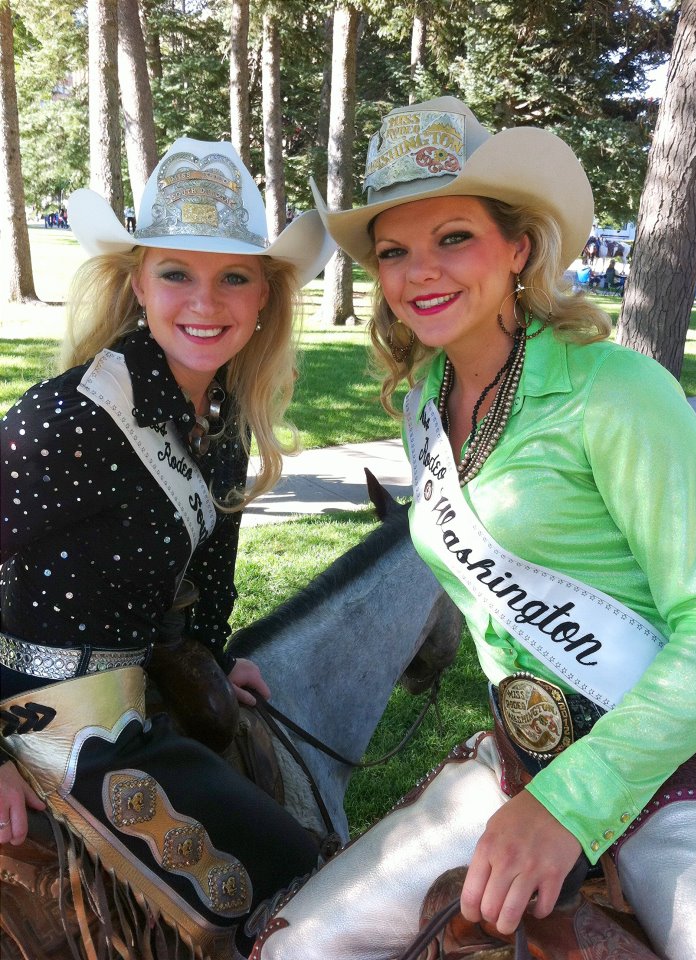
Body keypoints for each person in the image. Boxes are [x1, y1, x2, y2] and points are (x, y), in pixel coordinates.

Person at [254, 97, 696, 960]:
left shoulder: (615, 393)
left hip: (684, 771)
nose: (418, 272)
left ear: (518, 248)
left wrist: (568, 807)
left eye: (454, 237)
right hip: (520, 762)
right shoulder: (425, 405)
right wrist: (540, 791)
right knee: (296, 944)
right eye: (394, 251)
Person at [1, 136, 334, 958]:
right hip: (53, 721)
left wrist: (209, 657)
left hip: (142, 687)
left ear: (265, 296)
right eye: (176, 273)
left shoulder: (221, 420)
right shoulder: (66, 421)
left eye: (234, 277)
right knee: (288, 871)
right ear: (138, 284)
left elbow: (208, 575)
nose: (205, 302)